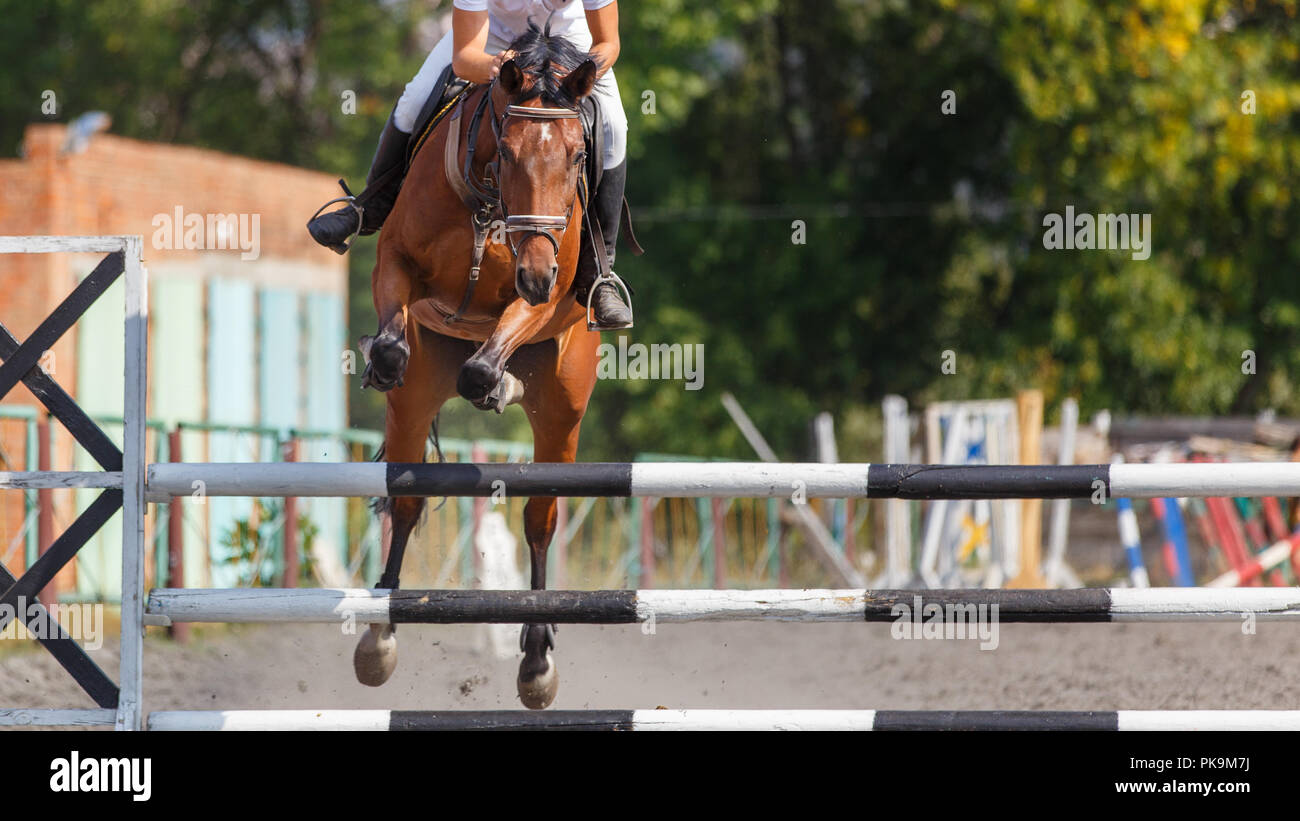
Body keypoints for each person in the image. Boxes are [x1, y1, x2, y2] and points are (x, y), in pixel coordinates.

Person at [307, 0, 633, 329]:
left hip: (569, 45)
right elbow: (464, 57)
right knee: (413, 100)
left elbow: (608, 42)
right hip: (491, 40)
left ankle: (599, 273)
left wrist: (578, 72)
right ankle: (368, 206)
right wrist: (494, 65)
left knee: (614, 128)